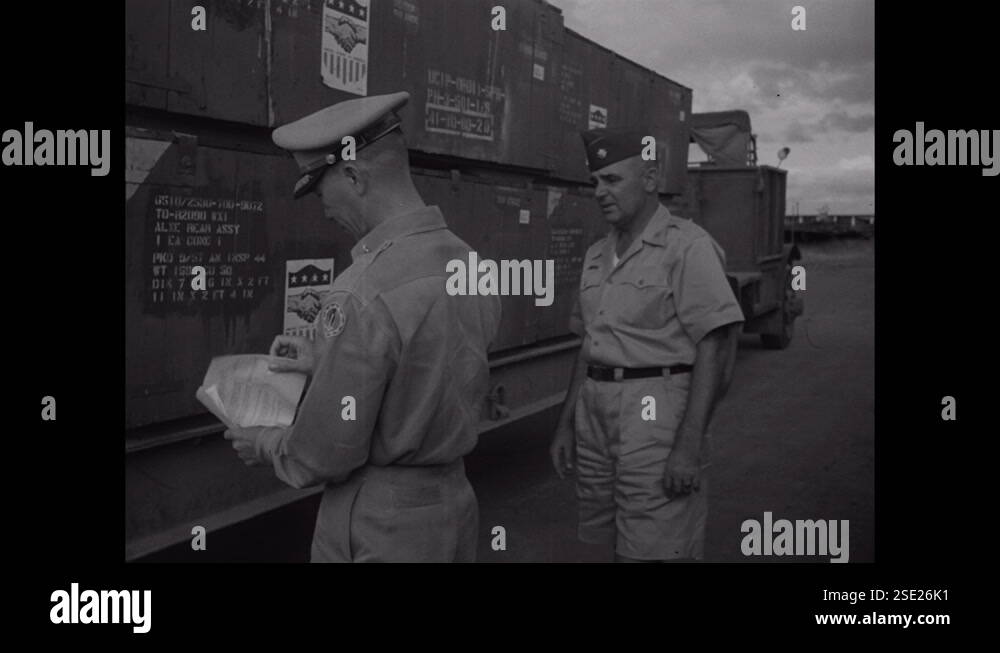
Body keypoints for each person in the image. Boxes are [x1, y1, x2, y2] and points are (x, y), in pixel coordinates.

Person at [225, 92, 501, 562]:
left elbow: (324, 453)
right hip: (452, 506)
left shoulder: (361, 290)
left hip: (383, 522)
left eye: (319, 189)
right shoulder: (471, 263)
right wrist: (322, 360)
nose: (323, 208)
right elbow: (431, 367)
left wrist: (264, 443)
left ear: (353, 175)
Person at [549, 127, 744, 562]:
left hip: (655, 415)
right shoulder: (597, 254)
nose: (600, 191)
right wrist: (566, 424)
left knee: (659, 548)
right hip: (596, 416)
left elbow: (717, 347)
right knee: (612, 542)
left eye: (613, 180)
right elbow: (590, 346)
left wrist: (689, 445)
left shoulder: (686, 246)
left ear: (651, 179)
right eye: (595, 181)